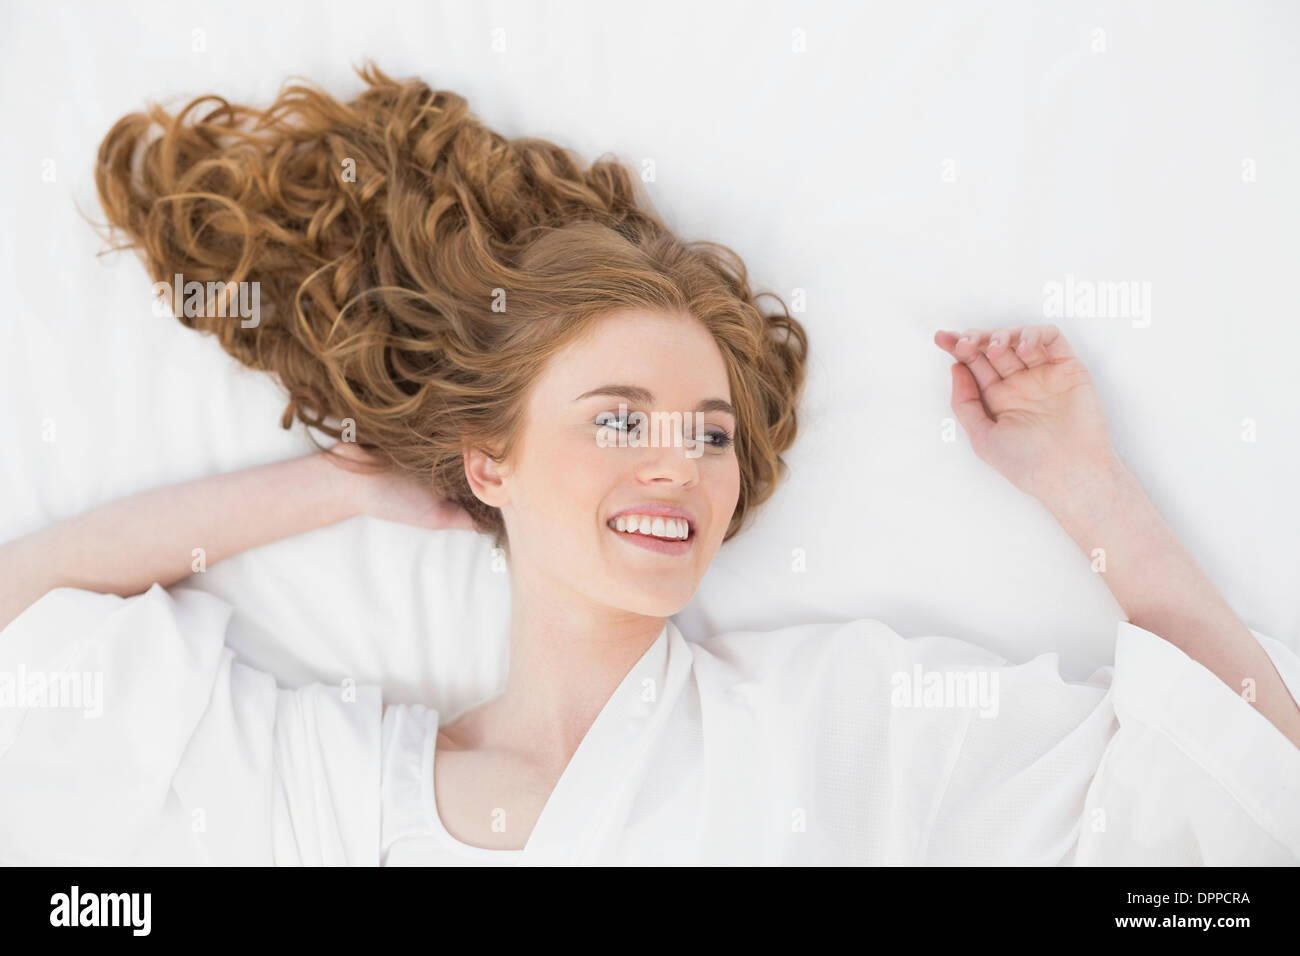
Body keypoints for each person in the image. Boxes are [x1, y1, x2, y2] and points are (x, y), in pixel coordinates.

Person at [1, 65, 1297, 866]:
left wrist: (1086, 487)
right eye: (618, 418)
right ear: (489, 464)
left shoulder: (844, 729)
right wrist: (335, 489)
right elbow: (20, 628)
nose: (677, 462)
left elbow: (1243, 807)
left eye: (709, 432)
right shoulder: (341, 797)